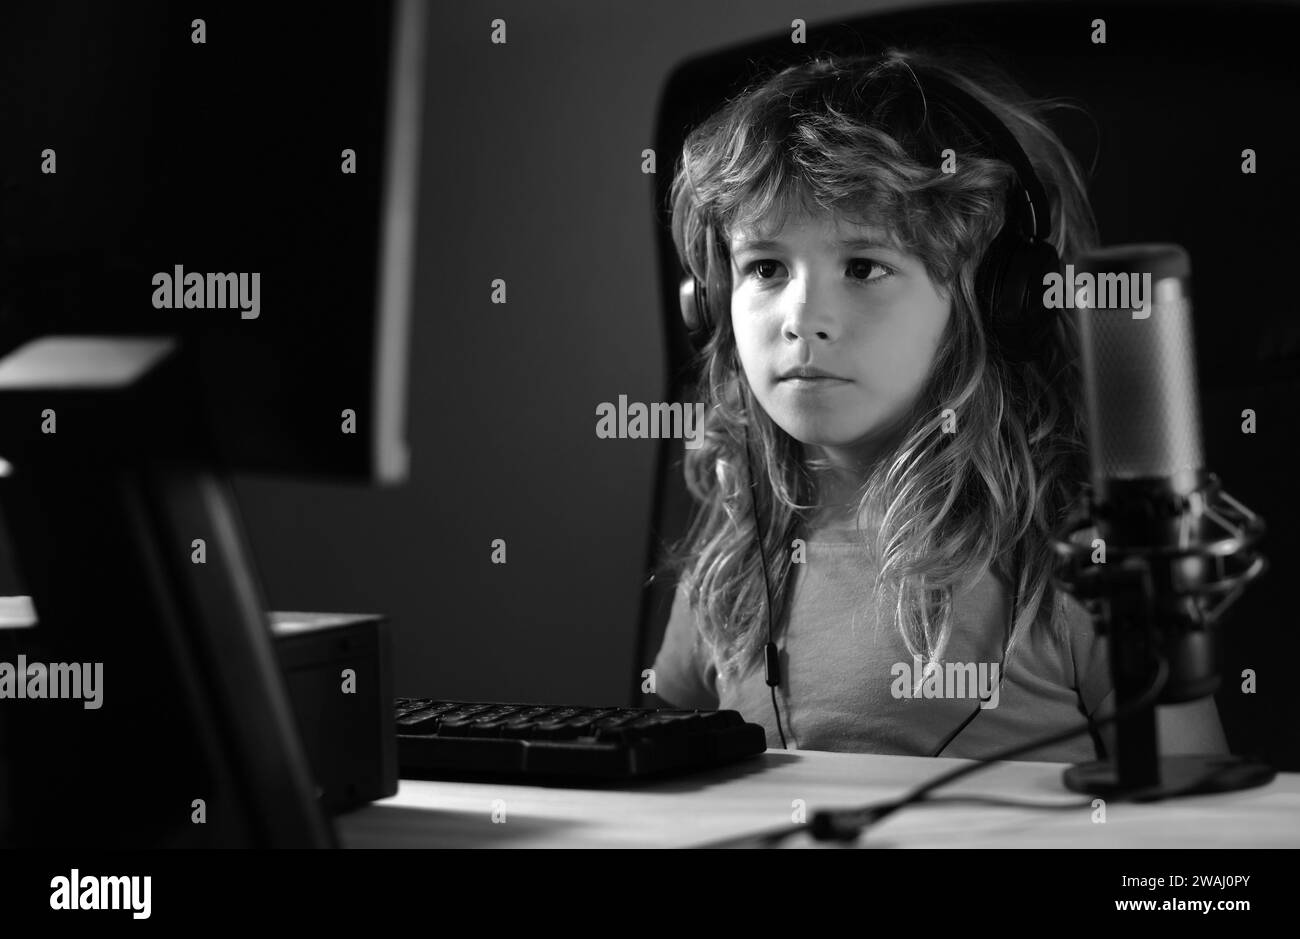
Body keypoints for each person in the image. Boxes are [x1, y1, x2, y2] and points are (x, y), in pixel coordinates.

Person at [651, 48, 1227, 762]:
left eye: (864, 267)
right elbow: (658, 787)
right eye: (765, 268)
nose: (802, 317)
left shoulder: (1084, 561)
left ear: (997, 297)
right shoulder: (735, 555)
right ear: (709, 300)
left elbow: (1202, 837)